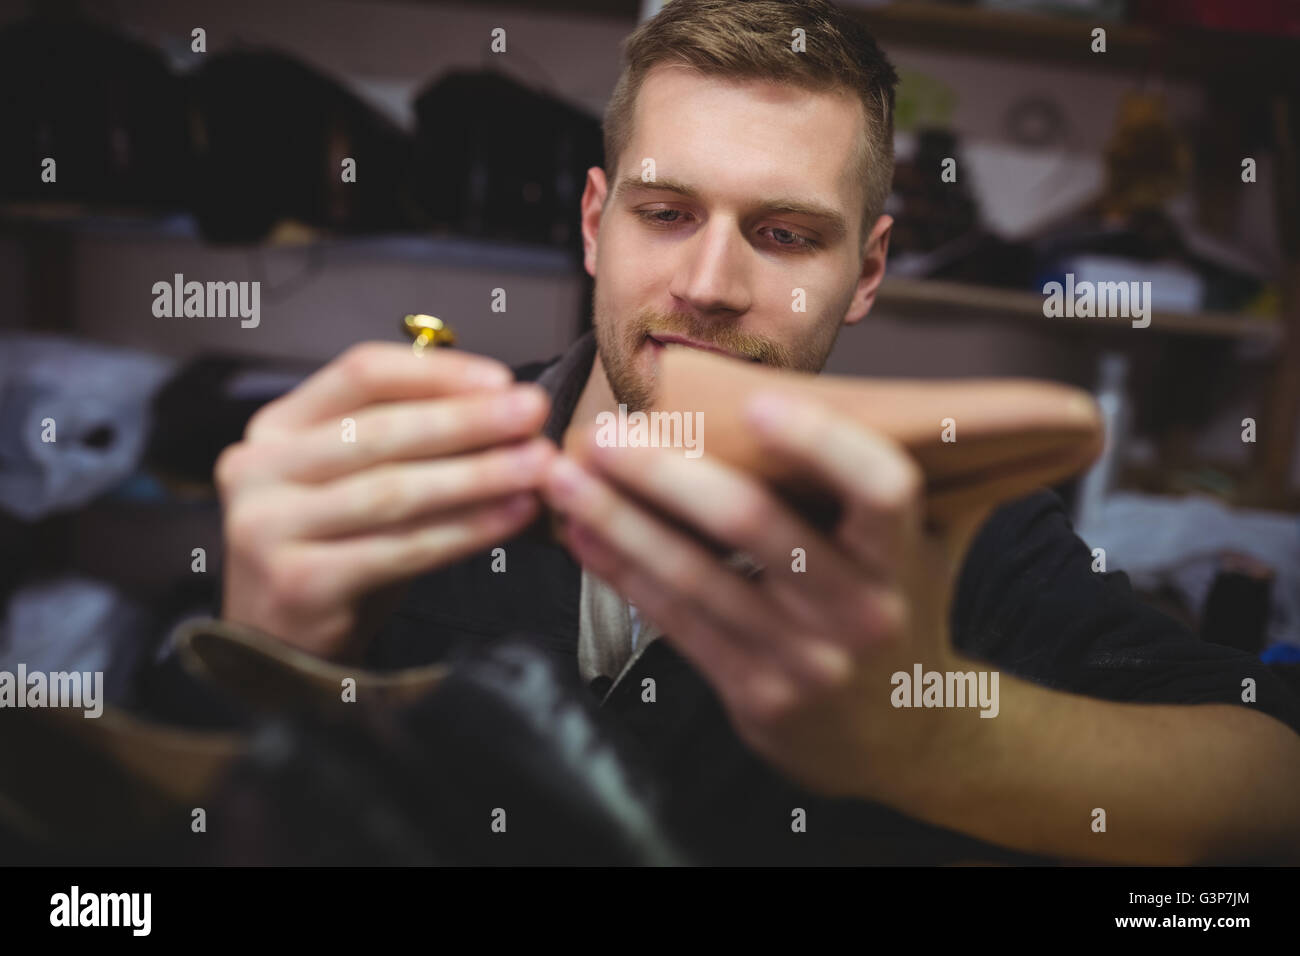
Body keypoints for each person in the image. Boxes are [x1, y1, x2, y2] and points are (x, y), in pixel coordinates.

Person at [211, 0, 1300, 864]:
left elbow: (1274, 780)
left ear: (865, 271)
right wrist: (267, 656)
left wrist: (939, 740)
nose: (709, 284)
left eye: (783, 234)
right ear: (595, 223)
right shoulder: (407, 470)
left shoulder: (960, 522)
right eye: (666, 213)